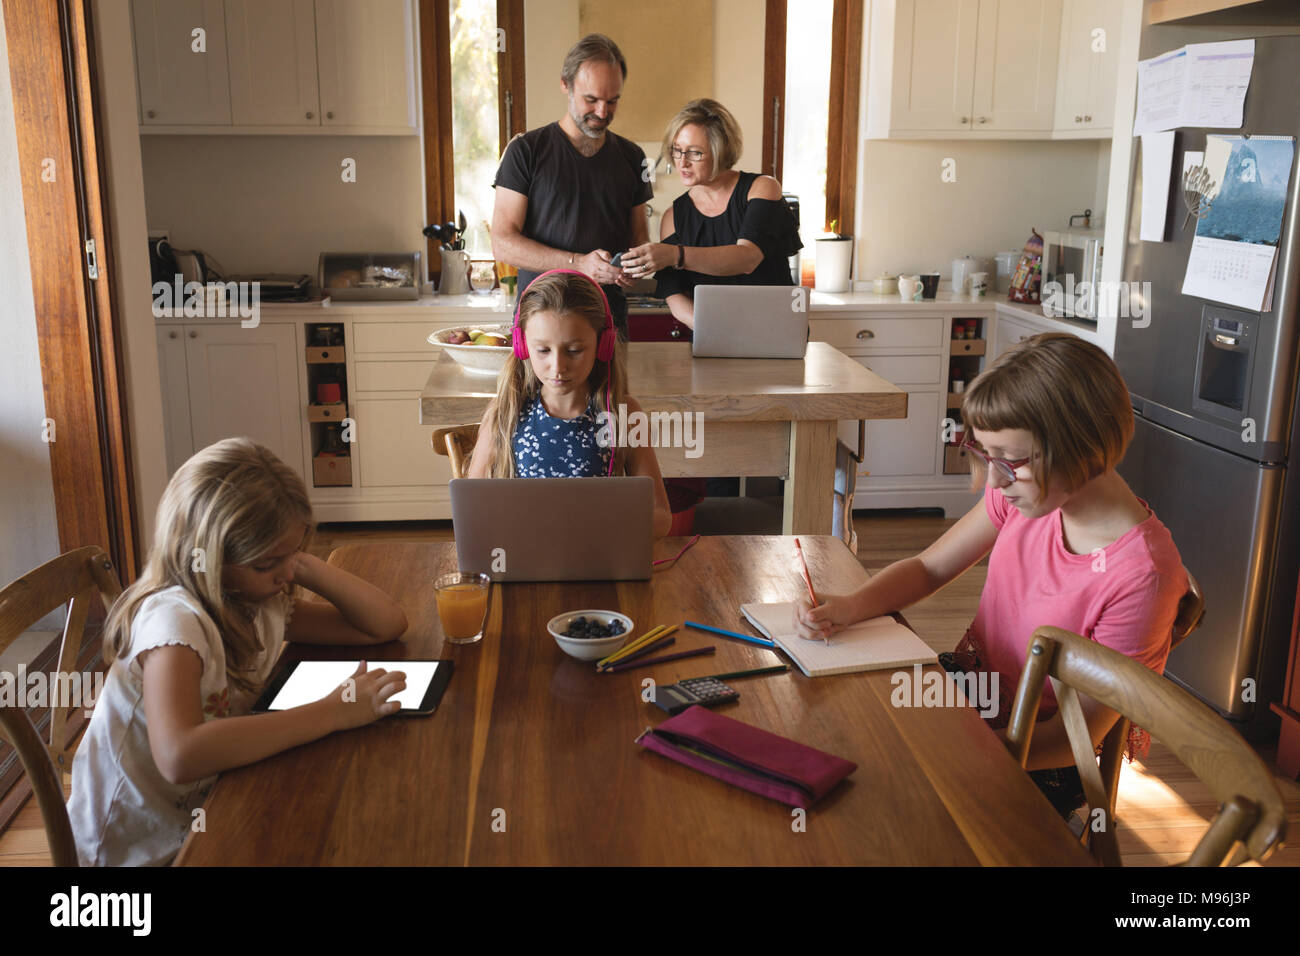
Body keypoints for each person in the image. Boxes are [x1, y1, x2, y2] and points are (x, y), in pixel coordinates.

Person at [793, 334, 1188, 816]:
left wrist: (949, 755)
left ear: (1077, 446)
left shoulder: (1142, 576)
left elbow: (1070, 740)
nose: (995, 481)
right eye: (987, 454)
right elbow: (927, 568)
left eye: (1010, 459)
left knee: (874, 801)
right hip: (972, 693)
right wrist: (849, 606)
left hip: (1040, 757)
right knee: (834, 722)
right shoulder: (1032, 490)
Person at [68, 439, 409, 866]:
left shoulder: (254, 599)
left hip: (218, 800)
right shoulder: (172, 622)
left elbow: (383, 625)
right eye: (266, 563)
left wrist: (294, 562)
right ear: (206, 558)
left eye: (294, 553)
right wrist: (333, 712)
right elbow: (179, 755)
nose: (285, 574)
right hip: (142, 851)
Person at [467, 269, 673, 538]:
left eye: (574, 351)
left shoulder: (624, 414)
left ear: (604, 345)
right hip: (524, 561)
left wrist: (606, 525)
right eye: (543, 350)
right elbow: (472, 510)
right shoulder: (504, 413)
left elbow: (660, 517)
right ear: (522, 345)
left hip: (598, 563)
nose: (558, 367)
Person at [491, 33, 653, 339]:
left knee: (610, 391)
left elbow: (638, 240)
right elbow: (502, 243)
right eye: (591, 100)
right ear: (565, 84)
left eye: (612, 100)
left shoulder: (634, 157)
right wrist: (579, 264)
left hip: (607, 327)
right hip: (539, 327)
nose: (603, 112)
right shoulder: (525, 151)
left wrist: (634, 267)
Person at [620, 98, 802, 329]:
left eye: (694, 153)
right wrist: (715, 329)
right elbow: (675, 296)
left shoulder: (761, 188)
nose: (682, 162)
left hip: (775, 330)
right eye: (677, 150)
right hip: (714, 335)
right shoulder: (673, 216)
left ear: (720, 151)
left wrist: (675, 255)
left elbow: (747, 258)